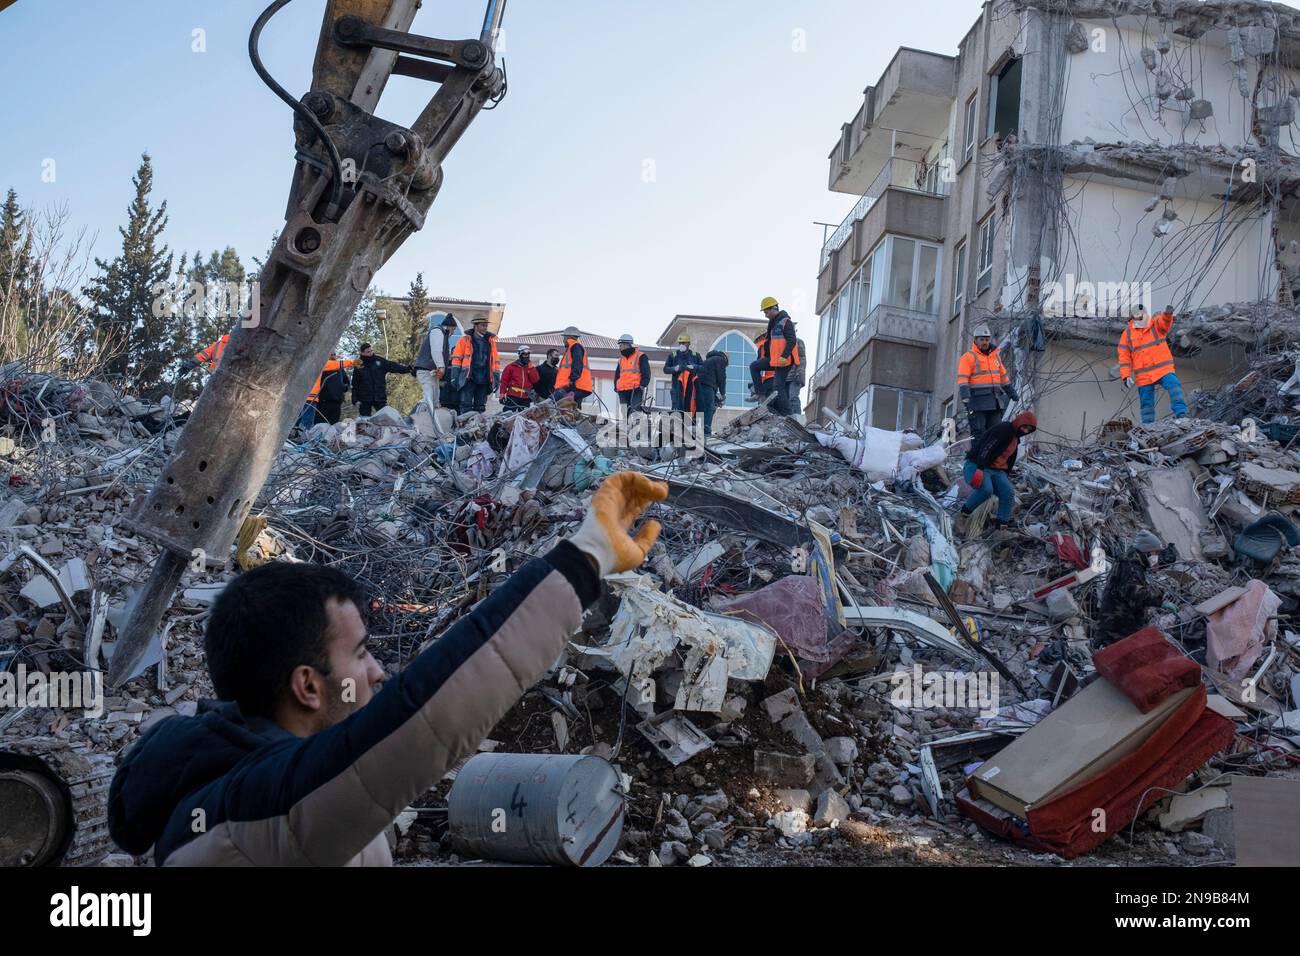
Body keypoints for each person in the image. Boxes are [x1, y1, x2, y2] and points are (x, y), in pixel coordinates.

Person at [106, 472, 671, 866]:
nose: (378, 672)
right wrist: (587, 555)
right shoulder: (260, 813)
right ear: (306, 685)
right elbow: (433, 711)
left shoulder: (254, 775)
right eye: (359, 654)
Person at [958, 410, 1037, 533]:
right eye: (1025, 426)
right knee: (986, 490)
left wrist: (1005, 476)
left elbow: (1008, 460)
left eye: (1029, 429)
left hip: (997, 470)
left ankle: (1001, 529)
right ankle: (962, 516)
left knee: (1008, 493)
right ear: (1019, 422)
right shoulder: (1004, 429)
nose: (1025, 431)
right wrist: (980, 468)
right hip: (977, 464)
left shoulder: (1016, 438)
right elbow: (987, 447)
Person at [1094, 530, 1166, 648]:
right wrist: (1160, 597)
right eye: (1155, 552)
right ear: (1146, 551)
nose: (1156, 557)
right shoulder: (1130, 567)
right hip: (1116, 630)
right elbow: (1135, 595)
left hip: (1119, 628)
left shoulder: (1132, 564)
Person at [1119, 304, 1187, 424]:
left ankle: (1181, 413)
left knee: (1174, 385)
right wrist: (1126, 376)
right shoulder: (1127, 334)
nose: (1141, 319)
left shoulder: (1155, 324)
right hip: (1143, 375)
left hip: (1163, 369)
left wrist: (1167, 314)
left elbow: (1165, 323)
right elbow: (1124, 356)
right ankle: (1147, 424)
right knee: (1146, 402)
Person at [957, 324, 1018, 442]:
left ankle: (991, 460)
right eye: (982, 339)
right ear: (975, 340)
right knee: (979, 435)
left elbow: (1003, 377)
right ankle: (977, 460)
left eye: (986, 339)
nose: (985, 342)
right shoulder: (968, 357)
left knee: (995, 435)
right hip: (977, 403)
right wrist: (965, 396)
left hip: (995, 402)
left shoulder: (995, 357)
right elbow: (963, 378)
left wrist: (1011, 393)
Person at [748, 297, 799, 416]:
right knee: (754, 366)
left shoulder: (786, 322)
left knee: (778, 388)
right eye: (764, 312)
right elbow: (770, 343)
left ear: (774, 308)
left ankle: (789, 414)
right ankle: (759, 393)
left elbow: (792, 340)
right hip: (774, 360)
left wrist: (784, 356)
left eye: (766, 312)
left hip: (785, 361)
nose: (765, 315)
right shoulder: (773, 323)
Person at [450, 316, 499, 414]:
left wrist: (496, 378)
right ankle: (465, 427)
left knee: (480, 407)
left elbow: (495, 362)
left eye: (486, 325)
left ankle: (479, 428)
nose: (485, 328)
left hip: (484, 379)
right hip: (469, 378)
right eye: (483, 325)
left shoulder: (491, 342)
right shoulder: (464, 340)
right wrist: (454, 377)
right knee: (465, 405)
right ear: (475, 326)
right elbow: (456, 360)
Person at [351, 343, 414, 416]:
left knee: (385, 417)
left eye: (371, 351)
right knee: (365, 420)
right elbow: (354, 383)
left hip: (379, 396)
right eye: (368, 352)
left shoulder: (379, 361)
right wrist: (354, 399)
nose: (371, 353)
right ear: (362, 353)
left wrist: (407, 369)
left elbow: (393, 366)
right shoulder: (358, 364)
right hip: (364, 398)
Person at [413, 312, 458, 414]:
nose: (453, 332)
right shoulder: (437, 331)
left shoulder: (440, 333)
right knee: (428, 399)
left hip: (431, 371)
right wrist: (441, 367)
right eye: (453, 329)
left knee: (434, 400)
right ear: (449, 326)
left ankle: (430, 424)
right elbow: (436, 351)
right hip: (426, 371)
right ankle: (416, 421)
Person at [299, 353, 355, 428]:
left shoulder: (339, 369)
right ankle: (300, 435)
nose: (333, 356)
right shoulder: (323, 365)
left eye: (334, 354)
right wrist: (354, 362)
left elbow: (346, 381)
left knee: (333, 425)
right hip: (321, 401)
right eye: (330, 354)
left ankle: (298, 434)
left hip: (336, 401)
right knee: (313, 421)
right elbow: (341, 363)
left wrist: (343, 388)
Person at [553, 327, 593, 406]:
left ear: (568, 337)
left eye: (564, 337)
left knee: (552, 401)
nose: (563, 340)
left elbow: (577, 364)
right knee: (571, 409)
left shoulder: (575, 347)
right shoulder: (573, 347)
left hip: (574, 386)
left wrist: (572, 381)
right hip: (576, 386)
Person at [614, 333, 651, 417]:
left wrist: (643, 385)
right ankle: (626, 429)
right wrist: (616, 387)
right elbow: (617, 375)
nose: (620, 347)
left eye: (622, 345)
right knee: (624, 412)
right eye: (619, 345)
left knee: (634, 411)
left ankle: (635, 429)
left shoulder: (640, 356)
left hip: (636, 389)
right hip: (622, 391)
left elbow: (646, 371)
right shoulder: (621, 359)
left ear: (628, 344)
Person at [664, 334, 703, 412]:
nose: (681, 345)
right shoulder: (673, 356)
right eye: (680, 343)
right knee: (677, 413)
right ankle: (679, 424)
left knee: (694, 411)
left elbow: (703, 368)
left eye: (683, 343)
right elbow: (665, 369)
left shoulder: (695, 356)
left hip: (692, 390)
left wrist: (695, 367)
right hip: (677, 389)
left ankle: (691, 424)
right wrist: (674, 368)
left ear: (689, 343)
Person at [695, 347, 728, 436]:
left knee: (700, 409)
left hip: (698, 386)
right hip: (707, 386)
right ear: (725, 359)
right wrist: (723, 393)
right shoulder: (720, 360)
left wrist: (717, 400)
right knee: (709, 409)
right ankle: (706, 432)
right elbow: (721, 377)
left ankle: (698, 431)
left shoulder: (707, 361)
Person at [500, 345, 540, 411]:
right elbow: (504, 381)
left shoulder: (531, 368)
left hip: (526, 397)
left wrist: (531, 368)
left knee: (524, 417)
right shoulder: (510, 367)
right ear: (519, 354)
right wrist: (502, 394)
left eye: (528, 354)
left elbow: (535, 380)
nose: (526, 356)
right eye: (524, 354)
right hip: (513, 395)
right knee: (508, 415)